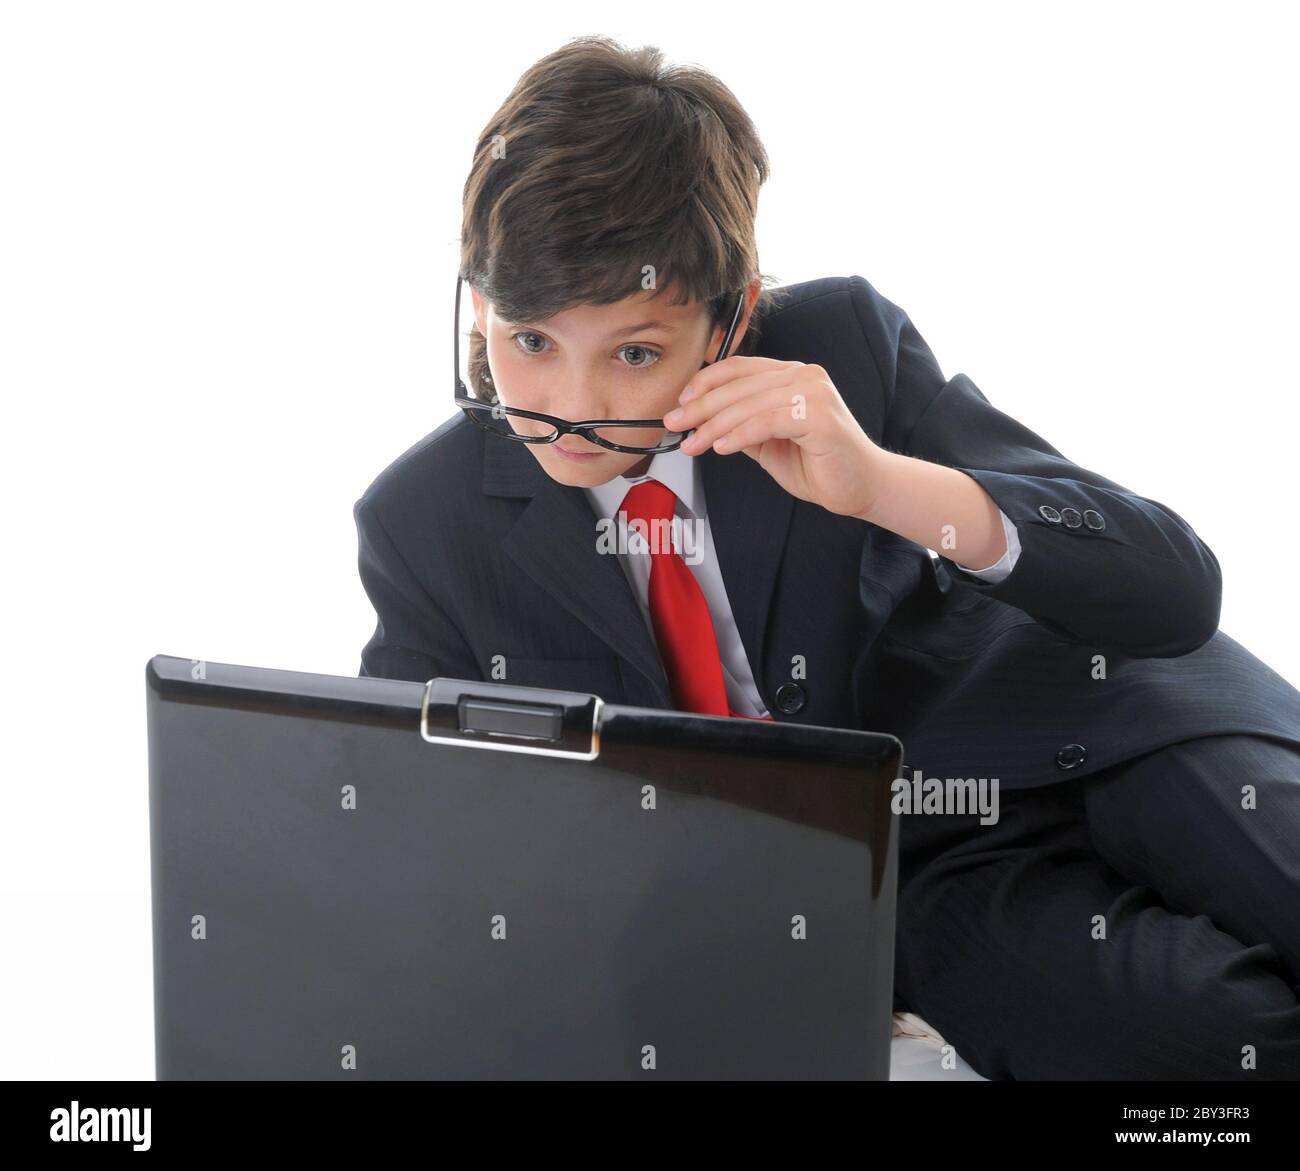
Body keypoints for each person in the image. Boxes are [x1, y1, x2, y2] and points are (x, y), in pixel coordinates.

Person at [354, 35, 1300, 1078]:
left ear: (732, 318)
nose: (574, 410)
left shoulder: (838, 344)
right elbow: (420, 843)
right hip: (925, 875)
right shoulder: (423, 524)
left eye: (633, 352)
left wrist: (883, 484)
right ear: (478, 308)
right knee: (1234, 1046)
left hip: (1115, 721)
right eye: (529, 342)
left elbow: (1172, 590)